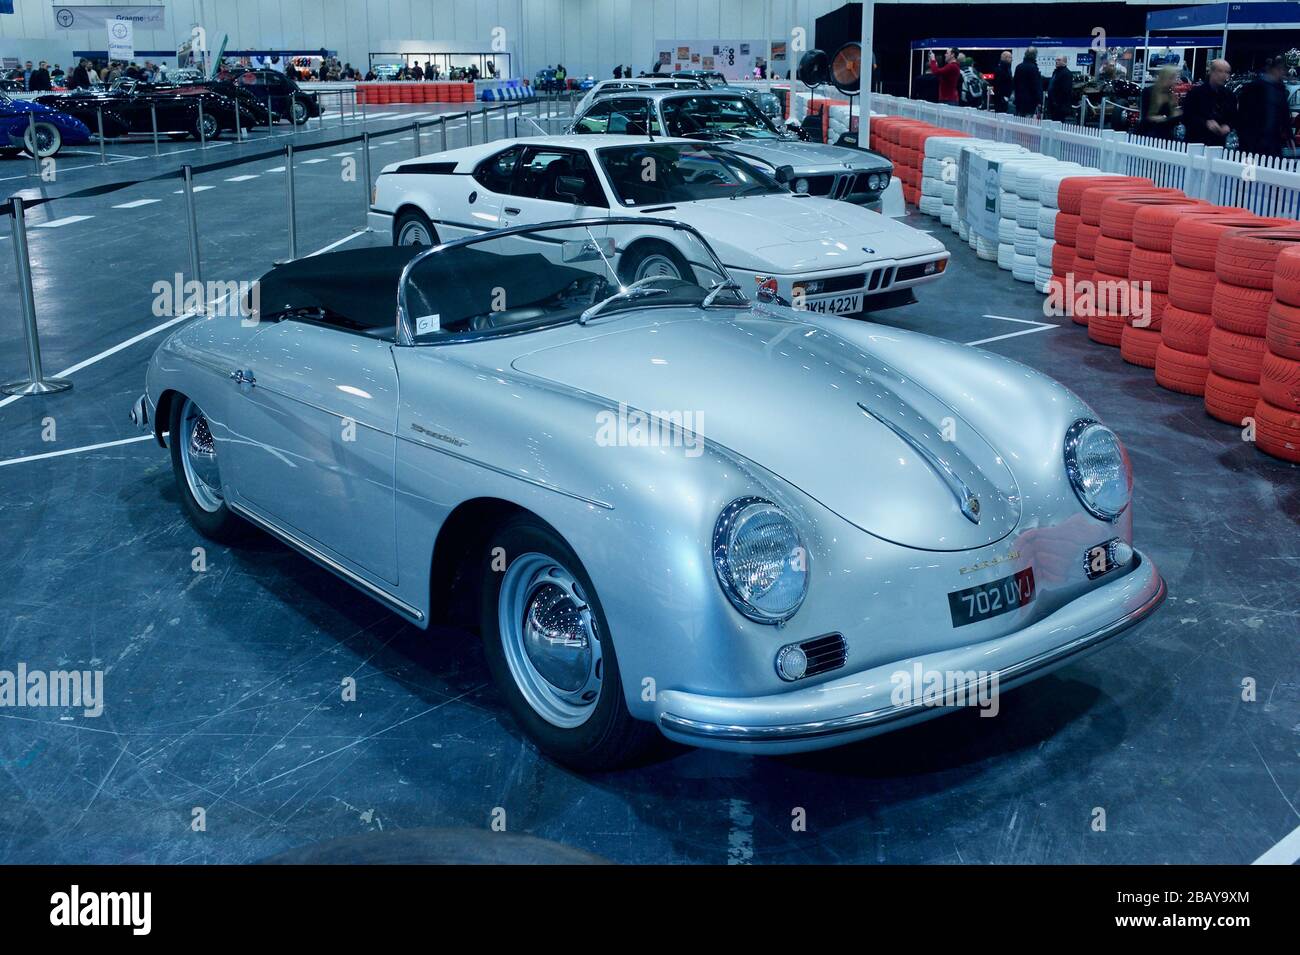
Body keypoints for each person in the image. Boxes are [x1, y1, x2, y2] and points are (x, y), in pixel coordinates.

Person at [1237, 55, 1292, 156]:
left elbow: (1284, 115)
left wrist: (1288, 135)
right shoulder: (1253, 88)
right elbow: (1243, 115)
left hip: (1272, 143)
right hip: (1253, 142)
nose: (1282, 73)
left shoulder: (1280, 90)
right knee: (1251, 170)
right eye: (1280, 70)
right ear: (1273, 70)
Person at [1182, 58, 1236, 147]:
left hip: (1218, 145)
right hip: (1196, 143)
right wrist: (1205, 123)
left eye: (1227, 72)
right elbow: (1186, 117)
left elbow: (1234, 118)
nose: (1224, 75)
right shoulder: (1195, 93)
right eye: (1220, 71)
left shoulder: (1230, 96)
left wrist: (1228, 126)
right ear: (1211, 72)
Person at [1138, 65, 1182, 138]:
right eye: (1171, 78)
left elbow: (1172, 119)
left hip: (1164, 134)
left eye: (1174, 78)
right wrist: (1156, 118)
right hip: (1148, 133)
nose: (1174, 81)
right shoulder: (1148, 92)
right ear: (1164, 77)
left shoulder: (1171, 95)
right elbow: (1145, 117)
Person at [1013, 47, 1042, 116]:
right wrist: (1039, 100)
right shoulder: (1034, 68)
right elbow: (1036, 86)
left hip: (1019, 100)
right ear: (1035, 56)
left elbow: (1015, 83)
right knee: (1027, 123)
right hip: (1030, 102)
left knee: (1019, 121)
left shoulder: (1018, 67)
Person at [1047, 55, 1074, 121]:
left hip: (1059, 105)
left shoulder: (1066, 73)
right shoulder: (1056, 72)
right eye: (1056, 60)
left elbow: (1065, 90)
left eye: (1059, 60)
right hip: (1053, 104)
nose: (1056, 61)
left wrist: (1057, 103)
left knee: (1058, 123)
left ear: (1064, 62)